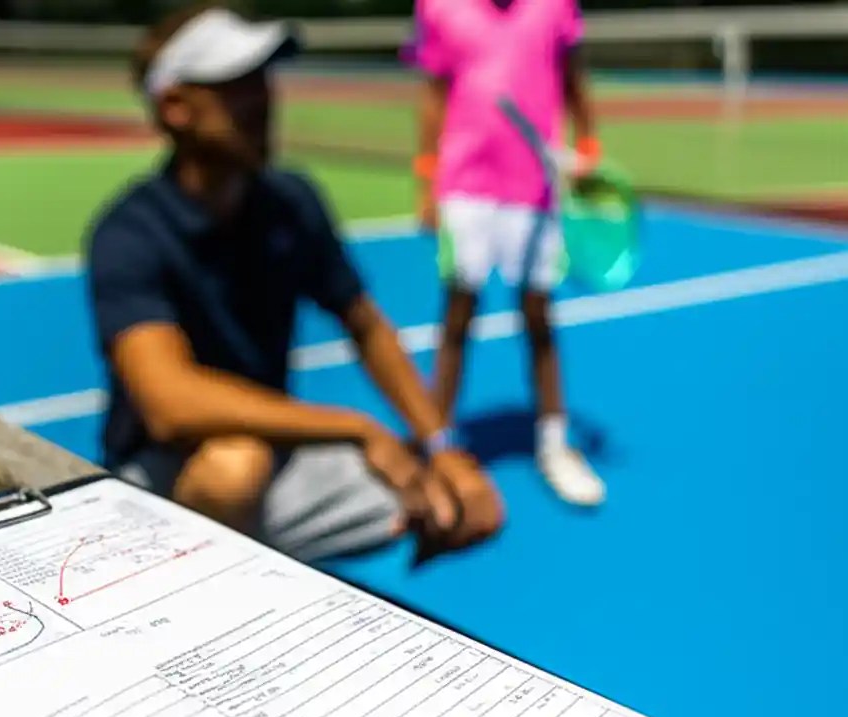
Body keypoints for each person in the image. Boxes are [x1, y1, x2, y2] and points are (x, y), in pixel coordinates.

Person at [84, 2, 505, 563]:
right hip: (167, 474)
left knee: (460, 505)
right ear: (175, 107)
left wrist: (444, 447)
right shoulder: (129, 232)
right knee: (235, 469)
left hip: (275, 451)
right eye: (233, 84)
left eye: (261, 79)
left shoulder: (291, 203)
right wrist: (355, 428)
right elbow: (170, 404)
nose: (262, 98)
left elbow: (367, 326)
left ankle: (244, 565)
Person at [407, 0, 606, 506]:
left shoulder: (555, 6)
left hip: (536, 188)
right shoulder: (439, 7)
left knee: (538, 317)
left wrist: (588, 145)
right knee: (457, 315)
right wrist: (428, 177)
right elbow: (435, 93)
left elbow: (572, 77)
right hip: (465, 186)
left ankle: (555, 444)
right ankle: (437, 447)